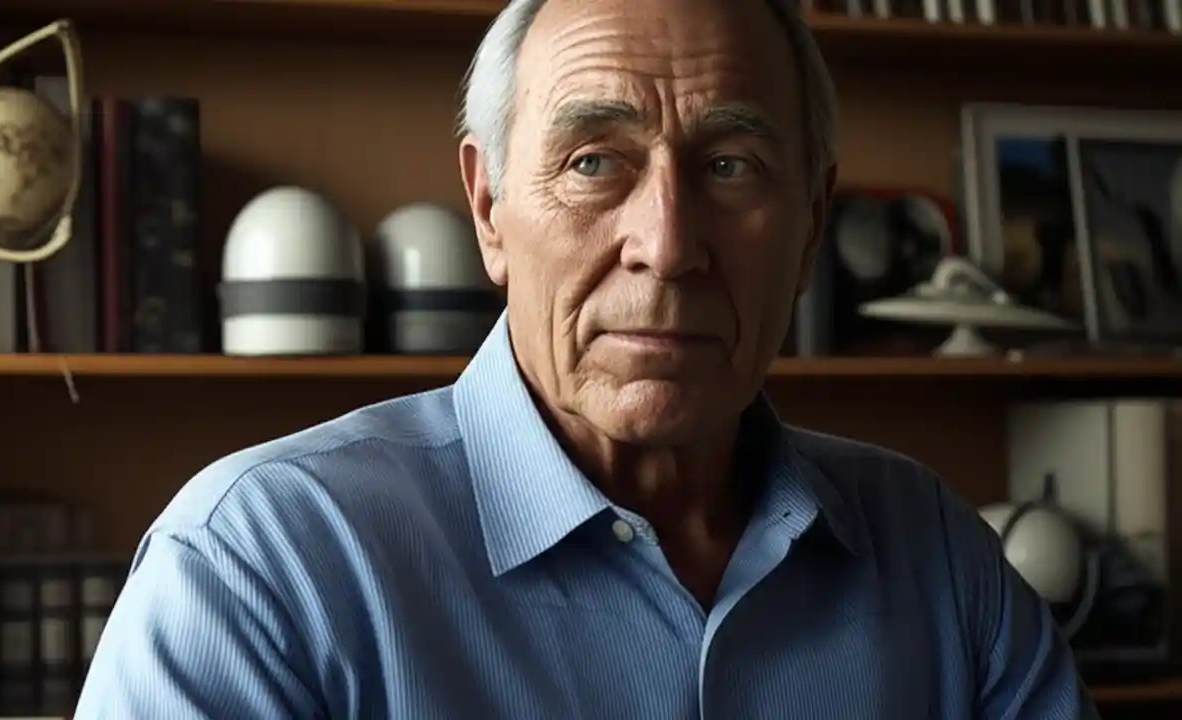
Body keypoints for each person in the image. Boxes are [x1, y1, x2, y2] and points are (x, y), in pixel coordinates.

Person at [75, 0, 1100, 717]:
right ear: (487, 210)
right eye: (592, 162)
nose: (664, 241)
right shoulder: (263, 567)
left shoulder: (931, 552)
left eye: (730, 165)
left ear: (808, 225)